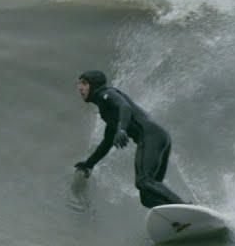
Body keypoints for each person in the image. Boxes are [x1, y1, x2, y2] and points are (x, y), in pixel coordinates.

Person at [74, 70, 186, 209]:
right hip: (159, 137)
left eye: (84, 83)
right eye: (79, 84)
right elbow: (107, 143)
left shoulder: (106, 94)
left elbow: (124, 106)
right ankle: (180, 218)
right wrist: (88, 164)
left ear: (94, 85)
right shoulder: (108, 112)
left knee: (143, 181)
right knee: (147, 198)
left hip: (151, 136)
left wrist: (121, 129)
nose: (80, 88)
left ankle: (185, 206)